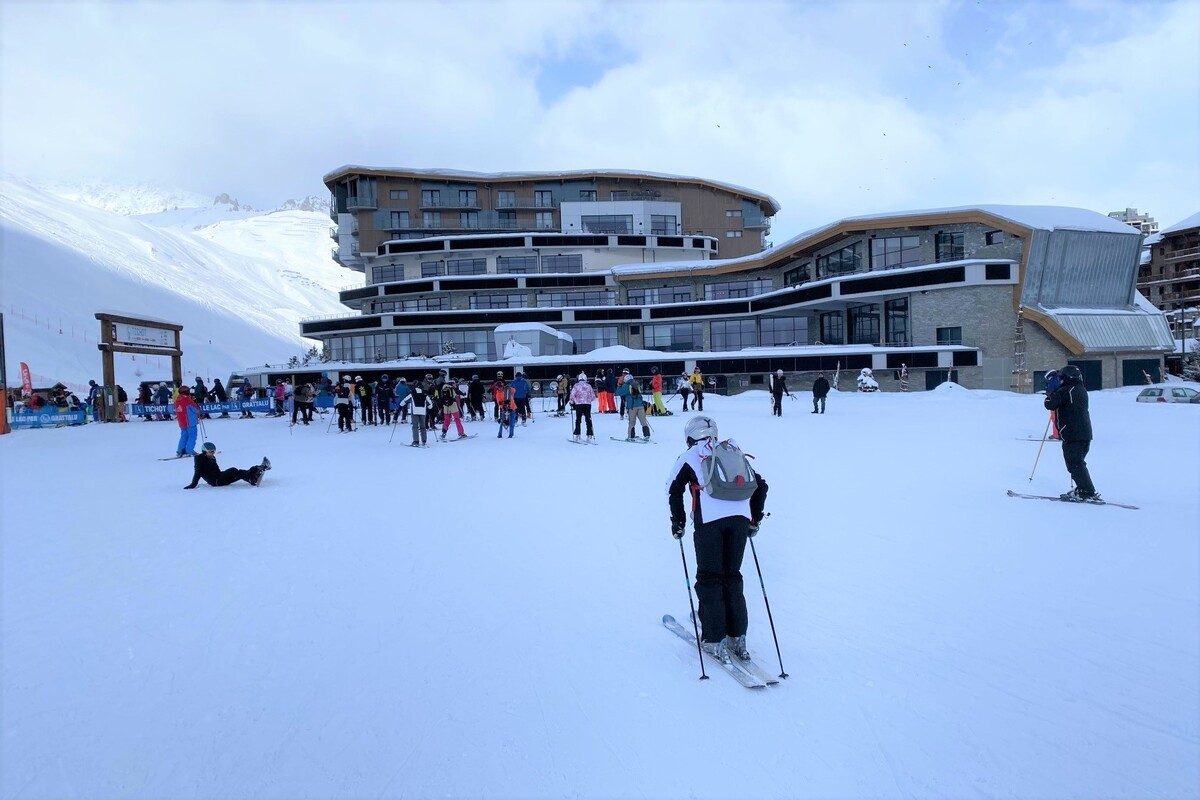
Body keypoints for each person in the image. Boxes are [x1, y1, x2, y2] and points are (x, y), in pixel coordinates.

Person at [666, 416, 769, 664]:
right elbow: (761, 486)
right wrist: (753, 520)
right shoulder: (732, 450)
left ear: (690, 435)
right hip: (739, 521)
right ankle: (738, 637)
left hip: (710, 523)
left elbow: (673, 489)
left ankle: (714, 638)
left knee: (710, 578)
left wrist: (678, 522)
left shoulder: (690, 455)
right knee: (732, 576)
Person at [1043, 364, 1099, 501]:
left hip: (1072, 432)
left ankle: (1087, 491)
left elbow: (1049, 404)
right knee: (1077, 463)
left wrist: (1050, 392)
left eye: (1061, 378)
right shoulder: (1081, 389)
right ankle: (1082, 488)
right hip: (1084, 433)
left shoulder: (1065, 390)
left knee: (1074, 463)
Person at [184, 442, 270, 488]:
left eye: (214, 451)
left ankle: (258, 469)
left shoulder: (211, 457)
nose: (213, 453)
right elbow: (197, 472)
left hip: (219, 476)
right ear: (204, 451)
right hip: (216, 481)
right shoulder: (199, 459)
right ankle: (253, 479)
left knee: (238, 472)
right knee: (234, 470)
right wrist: (193, 484)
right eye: (211, 451)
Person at [618, 372, 651, 440]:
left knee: (632, 422)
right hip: (640, 406)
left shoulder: (626, 385)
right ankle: (647, 435)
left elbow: (619, 392)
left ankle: (631, 436)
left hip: (632, 407)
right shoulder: (637, 384)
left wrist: (619, 386)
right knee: (643, 421)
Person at [399, 376, 432, 446]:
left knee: (415, 427)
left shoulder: (412, 393)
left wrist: (401, 406)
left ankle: (416, 441)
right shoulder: (424, 394)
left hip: (415, 412)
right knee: (423, 427)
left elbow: (403, 402)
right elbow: (430, 405)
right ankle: (424, 440)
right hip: (423, 412)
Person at [173, 385, 201, 457]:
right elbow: (196, 409)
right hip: (190, 421)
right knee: (192, 436)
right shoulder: (187, 400)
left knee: (184, 436)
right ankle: (189, 450)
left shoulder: (177, 400)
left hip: (182, 421)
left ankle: (180, 451)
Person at [570, 373, 597, 442]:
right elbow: (593, 397)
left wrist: (572, 401)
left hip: (579, 404)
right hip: (587, 404)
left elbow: (572, 394)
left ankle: (577, 434)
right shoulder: (589, 386)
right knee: (588, 419)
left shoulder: (576, 386)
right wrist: (589, 399)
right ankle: (589, 435)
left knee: (578, 419)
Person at [1043, 369, 1061, 440]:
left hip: (1054, 402)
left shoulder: (1053, 381)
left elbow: (1050, 391)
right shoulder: (1059, 379)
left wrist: (1048, 394)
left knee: (1055, 418)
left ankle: (1056, 434)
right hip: (1061, 402)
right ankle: (1061, 433)